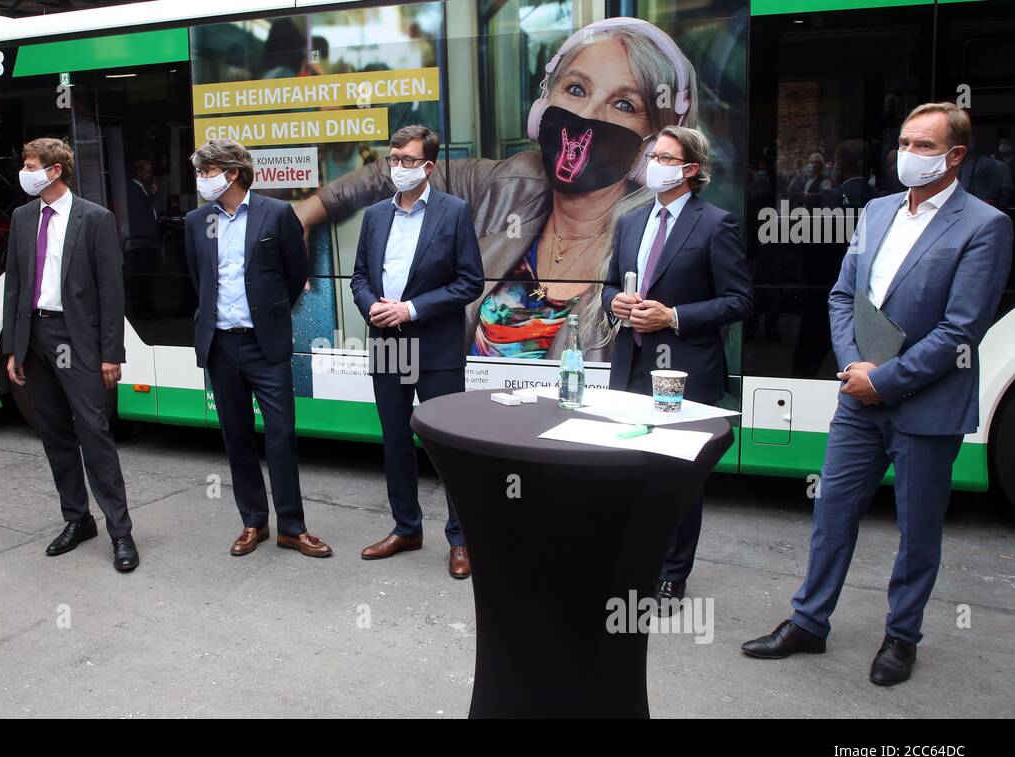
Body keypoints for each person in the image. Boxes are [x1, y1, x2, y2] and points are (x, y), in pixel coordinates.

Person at [742, 102, 1014, 686]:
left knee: (918, 532)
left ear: (956, 156)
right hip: (858, 399)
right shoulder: (877, 209)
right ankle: (809, 623)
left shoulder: (985, 226)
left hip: (925, 407)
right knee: (832, 513)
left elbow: (960, 330)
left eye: (923, 145)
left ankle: (901, 638)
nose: (907, 154)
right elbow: (842, 296)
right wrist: (853, 369)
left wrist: (885, 380)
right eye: (905, 142)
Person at [297, 17, 700, 363]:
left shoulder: (658, 240)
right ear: (543, 105)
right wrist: (306, 212)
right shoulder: (510, 181)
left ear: (650, 146)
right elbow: (395, 173)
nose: (586, 116)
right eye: (576, 89)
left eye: (624, 105)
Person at [601, 125, 752, 609]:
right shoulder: (629, 221)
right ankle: (631, 559)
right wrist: (616, 303)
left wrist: (675, 316)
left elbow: (739, 300)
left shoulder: (715, 223)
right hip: (630, 364)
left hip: (682, 370)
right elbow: (606, 286)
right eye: (651, 155)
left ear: (690, 169)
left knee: (677, 475)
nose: (652, 164)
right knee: (627, 470)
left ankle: (671, 573)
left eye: (664, 157)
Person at [183, 139, 330, 559]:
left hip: (265, 346)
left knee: (281, 436)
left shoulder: (276, 214)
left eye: (207, 171)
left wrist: (268, 316)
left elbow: (293, 274)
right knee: (237, 437)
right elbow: (200, 278)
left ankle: (292, 527)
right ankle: (253, 522)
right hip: (221, 347)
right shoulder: (196, 221)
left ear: (233, 174)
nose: (201, 180)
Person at [351, 126, 484, 579]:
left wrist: (409, 309)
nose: (399, 168)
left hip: (436, 348)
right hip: (388, 345)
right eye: (393, 159)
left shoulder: (454, 212)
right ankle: (406, 528)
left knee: (447, 444)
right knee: (394, 440)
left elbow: (470, 282)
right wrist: (371, 305)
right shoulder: (373, 216)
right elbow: (359, 278)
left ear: (428, 166)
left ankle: (461, 538)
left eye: (408, 160)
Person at [2, 138, 139, 573]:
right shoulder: (23, 218)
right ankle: (77, 519)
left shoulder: (95, 219)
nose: (24, 172)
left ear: (55, 170)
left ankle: (121, 532)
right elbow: (14, 286)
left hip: (76, 338)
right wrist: (13, 348)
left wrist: (110, 353)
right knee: (54, 433)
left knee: (94, 432)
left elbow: (111, 292)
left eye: (30, 165)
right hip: (35, 336)